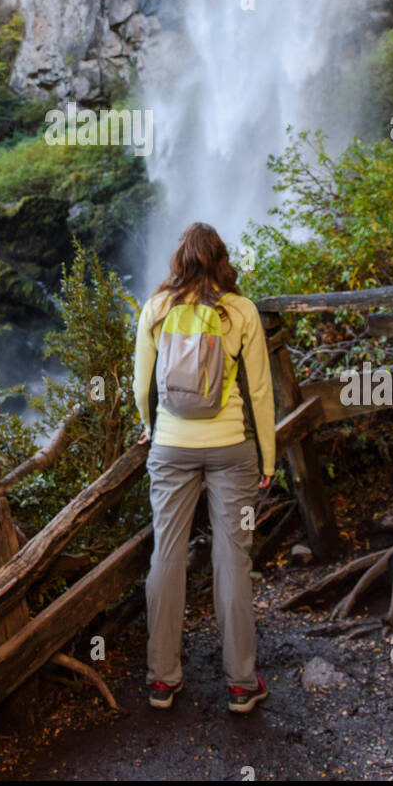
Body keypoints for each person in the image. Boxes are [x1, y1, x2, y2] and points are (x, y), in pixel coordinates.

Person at [133, 222, 276, 713]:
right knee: (233, 558)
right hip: (232, 450)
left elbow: (141, 387)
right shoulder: (241, 311)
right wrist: (269, 458)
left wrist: (150, 428)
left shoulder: (155, 309)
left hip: (170, 448)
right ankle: (240, 683)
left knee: (165, 557)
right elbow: (259, 391)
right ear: (221, 260)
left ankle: (162, 680)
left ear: (179, 260)